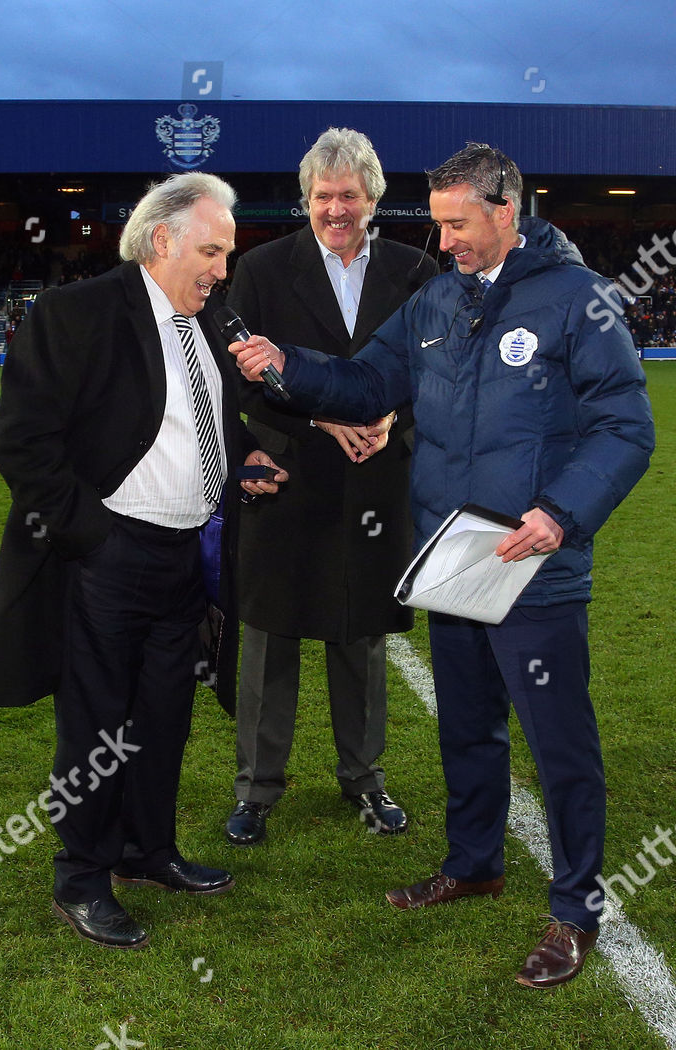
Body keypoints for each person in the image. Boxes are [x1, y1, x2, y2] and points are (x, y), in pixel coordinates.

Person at [232, 143, 654, 989]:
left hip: (532, 562)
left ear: (506, 209)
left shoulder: (580, 300)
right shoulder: (434, 301)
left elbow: (626, 428)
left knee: (558, 745)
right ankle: (475, 863)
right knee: (467, 727)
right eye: (438, 222)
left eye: (458, 223)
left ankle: (575, 911)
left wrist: (560, 514)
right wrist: (289, 366)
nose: (445, 238)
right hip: (455, 558)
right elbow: (364, 383)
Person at [0, 172, 288, 950]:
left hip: (186, 558)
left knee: (162, 719)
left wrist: (246, 457)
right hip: (105, 559)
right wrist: (94, 538)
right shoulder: (75, 313)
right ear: (161, 241)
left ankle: (147, 854)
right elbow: (23, 444)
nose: (222, 266)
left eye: (228, 252)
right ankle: (81, 876)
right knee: (95, 724)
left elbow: (205, 421)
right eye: (212, 250)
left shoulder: (209, 320)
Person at [223, 128, 439, 846]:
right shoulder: (258, 270)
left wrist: (389, 419)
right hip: (290, 481)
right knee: (270, 639)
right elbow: (234, 382)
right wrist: (317, 418)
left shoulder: (417, 270)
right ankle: (256, 789)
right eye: (323, 196)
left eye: (349, 195)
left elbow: (439, 373)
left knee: (363, 639)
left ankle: (365, 780)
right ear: (305, 200)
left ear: (373, 199)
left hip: (378, 481)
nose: (336, 209)